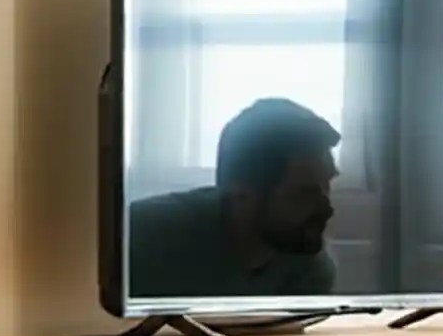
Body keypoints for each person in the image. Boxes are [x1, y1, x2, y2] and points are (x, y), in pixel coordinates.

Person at [128, 97, 339, 299]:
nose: (326, 209)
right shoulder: (140, 238)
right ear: (241, 192)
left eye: (327, 185)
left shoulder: (309, 268)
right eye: (304, 193)